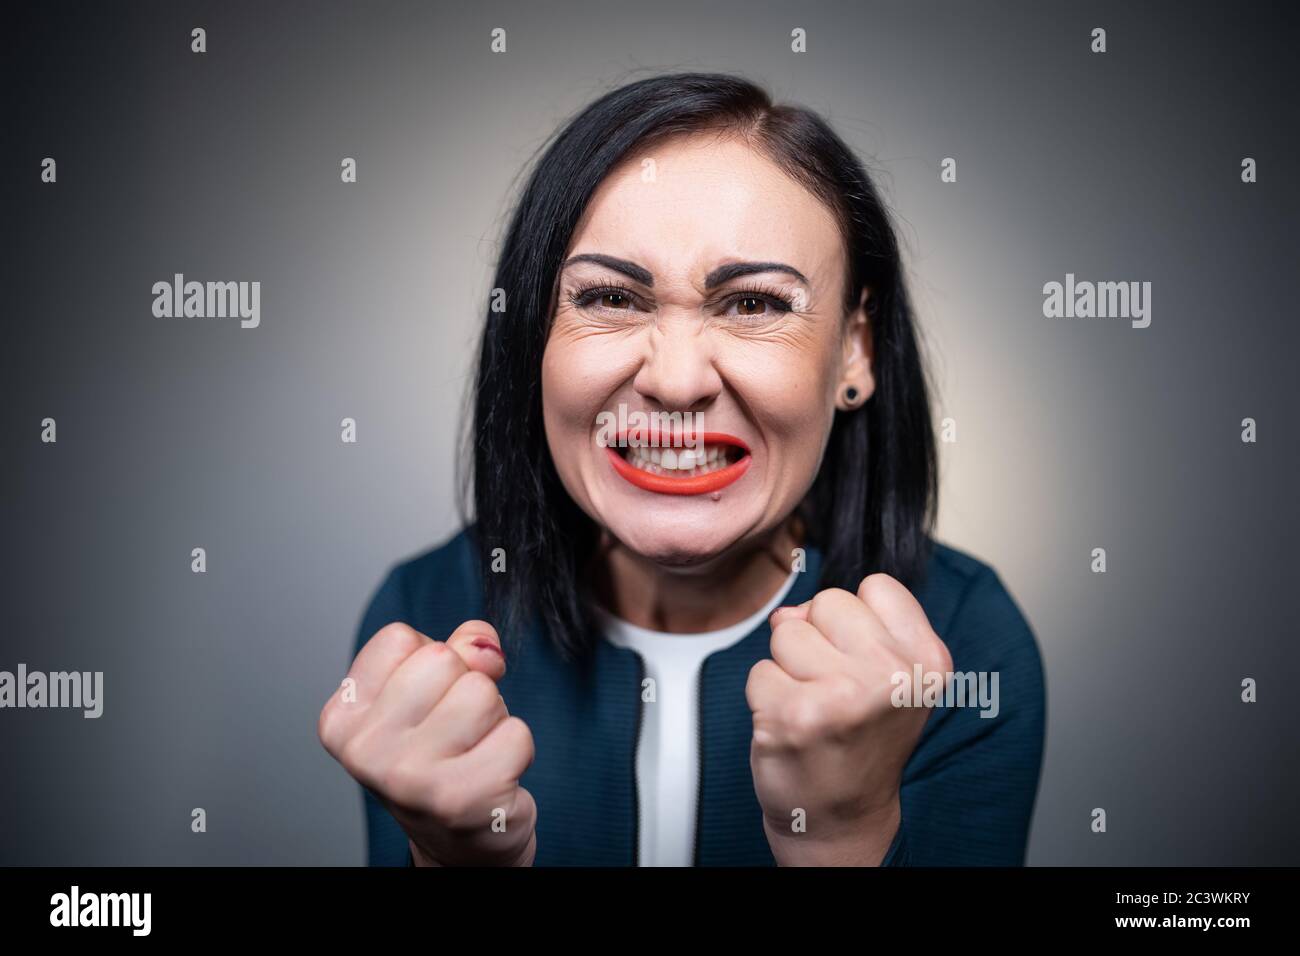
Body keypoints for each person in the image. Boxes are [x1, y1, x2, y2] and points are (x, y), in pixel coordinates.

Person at [317, 72, 1046, 867]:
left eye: (754, 304)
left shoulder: (966, 645)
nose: (675, 380)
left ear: (856, 349)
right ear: (533, 337)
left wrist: (845, 834)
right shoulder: (424, 615)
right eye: (610, 298)